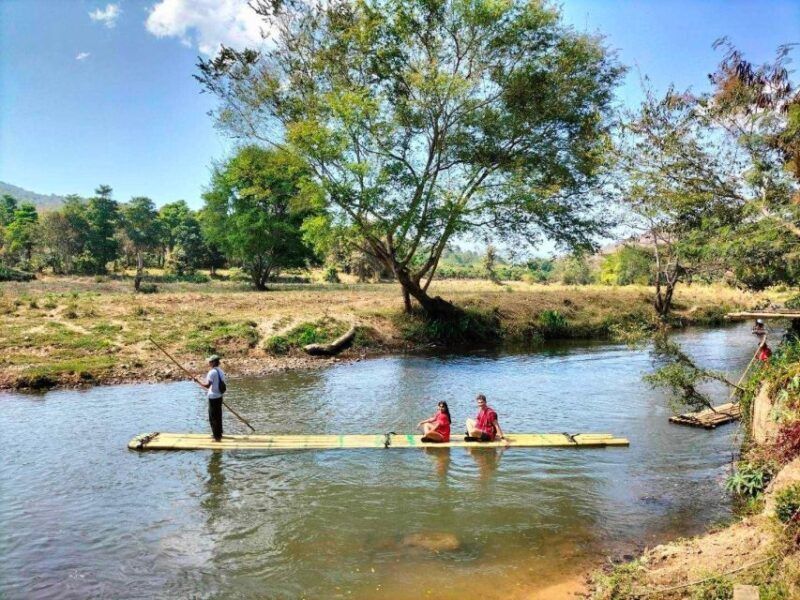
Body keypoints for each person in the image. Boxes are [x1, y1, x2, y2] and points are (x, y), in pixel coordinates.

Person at [201, 354, 226, 441]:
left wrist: (198, 382)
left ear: (213, 362)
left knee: (213, 417)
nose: (209, 363)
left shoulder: (212, 372)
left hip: (213, 398)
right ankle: (219, 433)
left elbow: (208, 386)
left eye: (210, 361)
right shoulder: (220, 371)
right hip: (219, 396)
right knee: (218, 415)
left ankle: (217, 437)